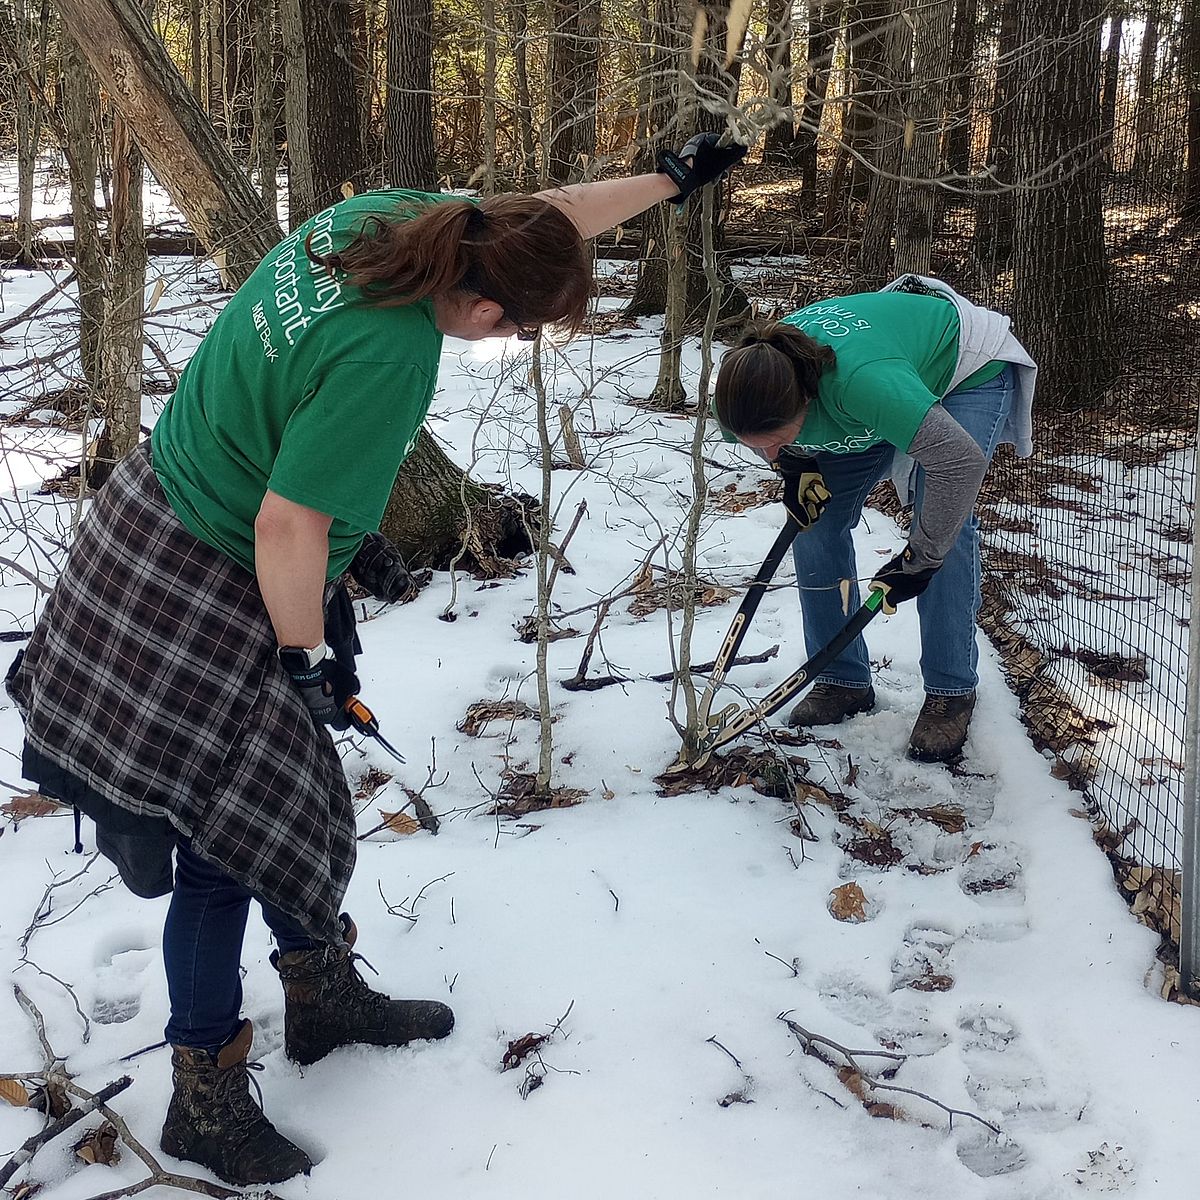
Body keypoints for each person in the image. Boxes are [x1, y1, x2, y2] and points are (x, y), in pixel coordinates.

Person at [5, 134, 746, 1186]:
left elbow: (545, 211)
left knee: (298, 800)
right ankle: (205, 1100)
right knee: (223, 842)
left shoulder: (395, 220)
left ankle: (320, 995)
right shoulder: (392, 357)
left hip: (159, 513)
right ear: (489, 315)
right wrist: (305, 660)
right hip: (202, 577)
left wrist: (667, 181)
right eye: (525, 331)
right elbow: (288, 526)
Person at [712, 275, 1037, 763]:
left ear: (805, 400)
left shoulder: (861, 383)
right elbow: (770, 440)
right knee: (815, 525)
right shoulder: (743, 393)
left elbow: (959, 462)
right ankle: (842, 681)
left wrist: (920, 560)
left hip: (960, 370)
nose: (767, 454)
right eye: (758, 447)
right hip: (882, 388)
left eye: (777, 439)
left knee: (943, 527)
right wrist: (794, 465)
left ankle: (950, 692)